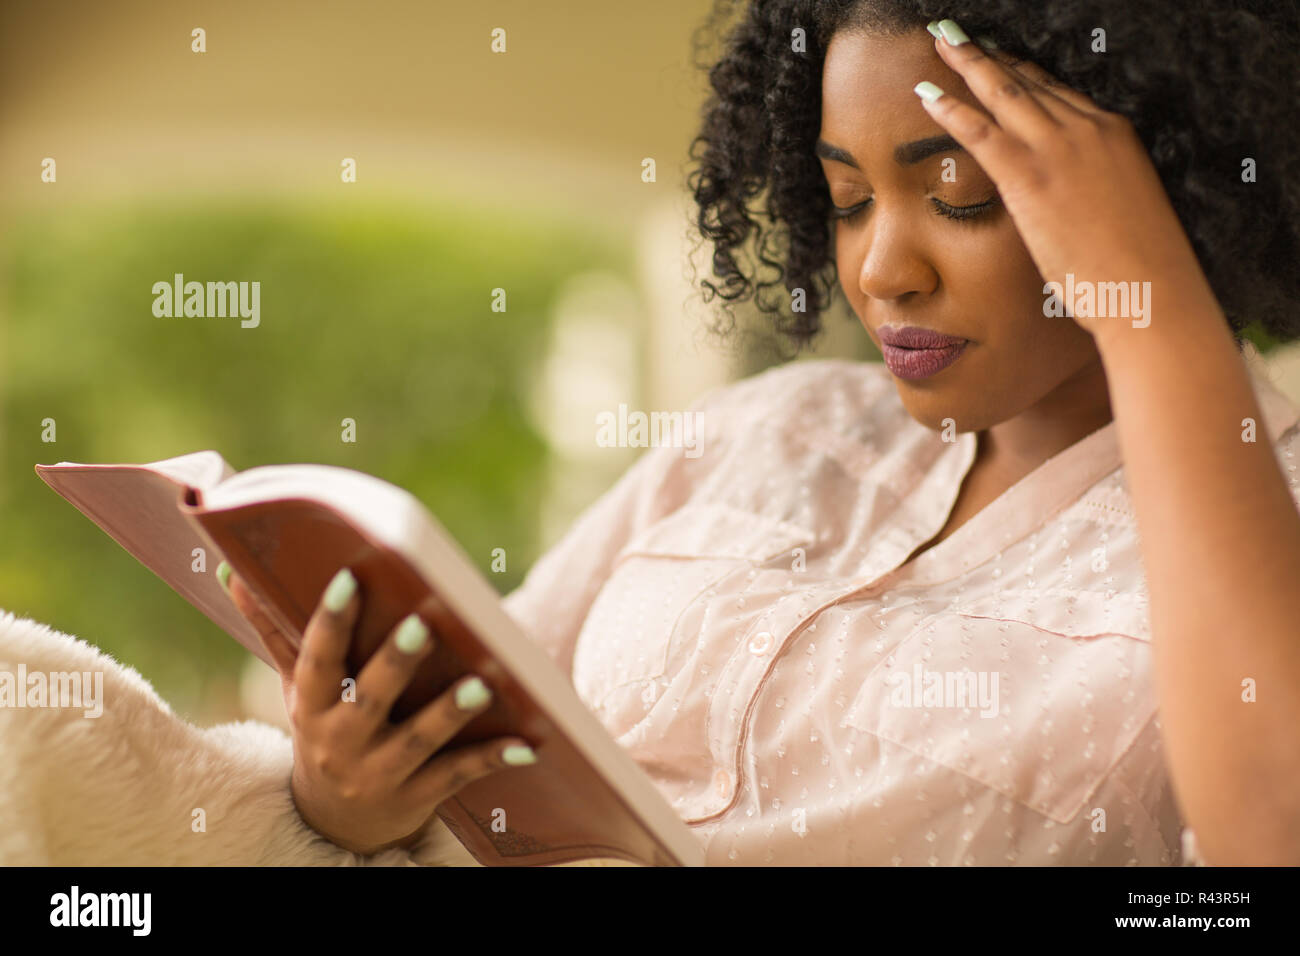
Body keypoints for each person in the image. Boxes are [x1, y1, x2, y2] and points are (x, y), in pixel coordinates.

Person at [221, 1, 1300, 865]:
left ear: (1161, 180)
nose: (880, 270)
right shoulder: (770, 430)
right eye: (846, 199)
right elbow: (476, 741)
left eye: (957, 191)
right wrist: (344, 796)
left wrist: (1148, 303)